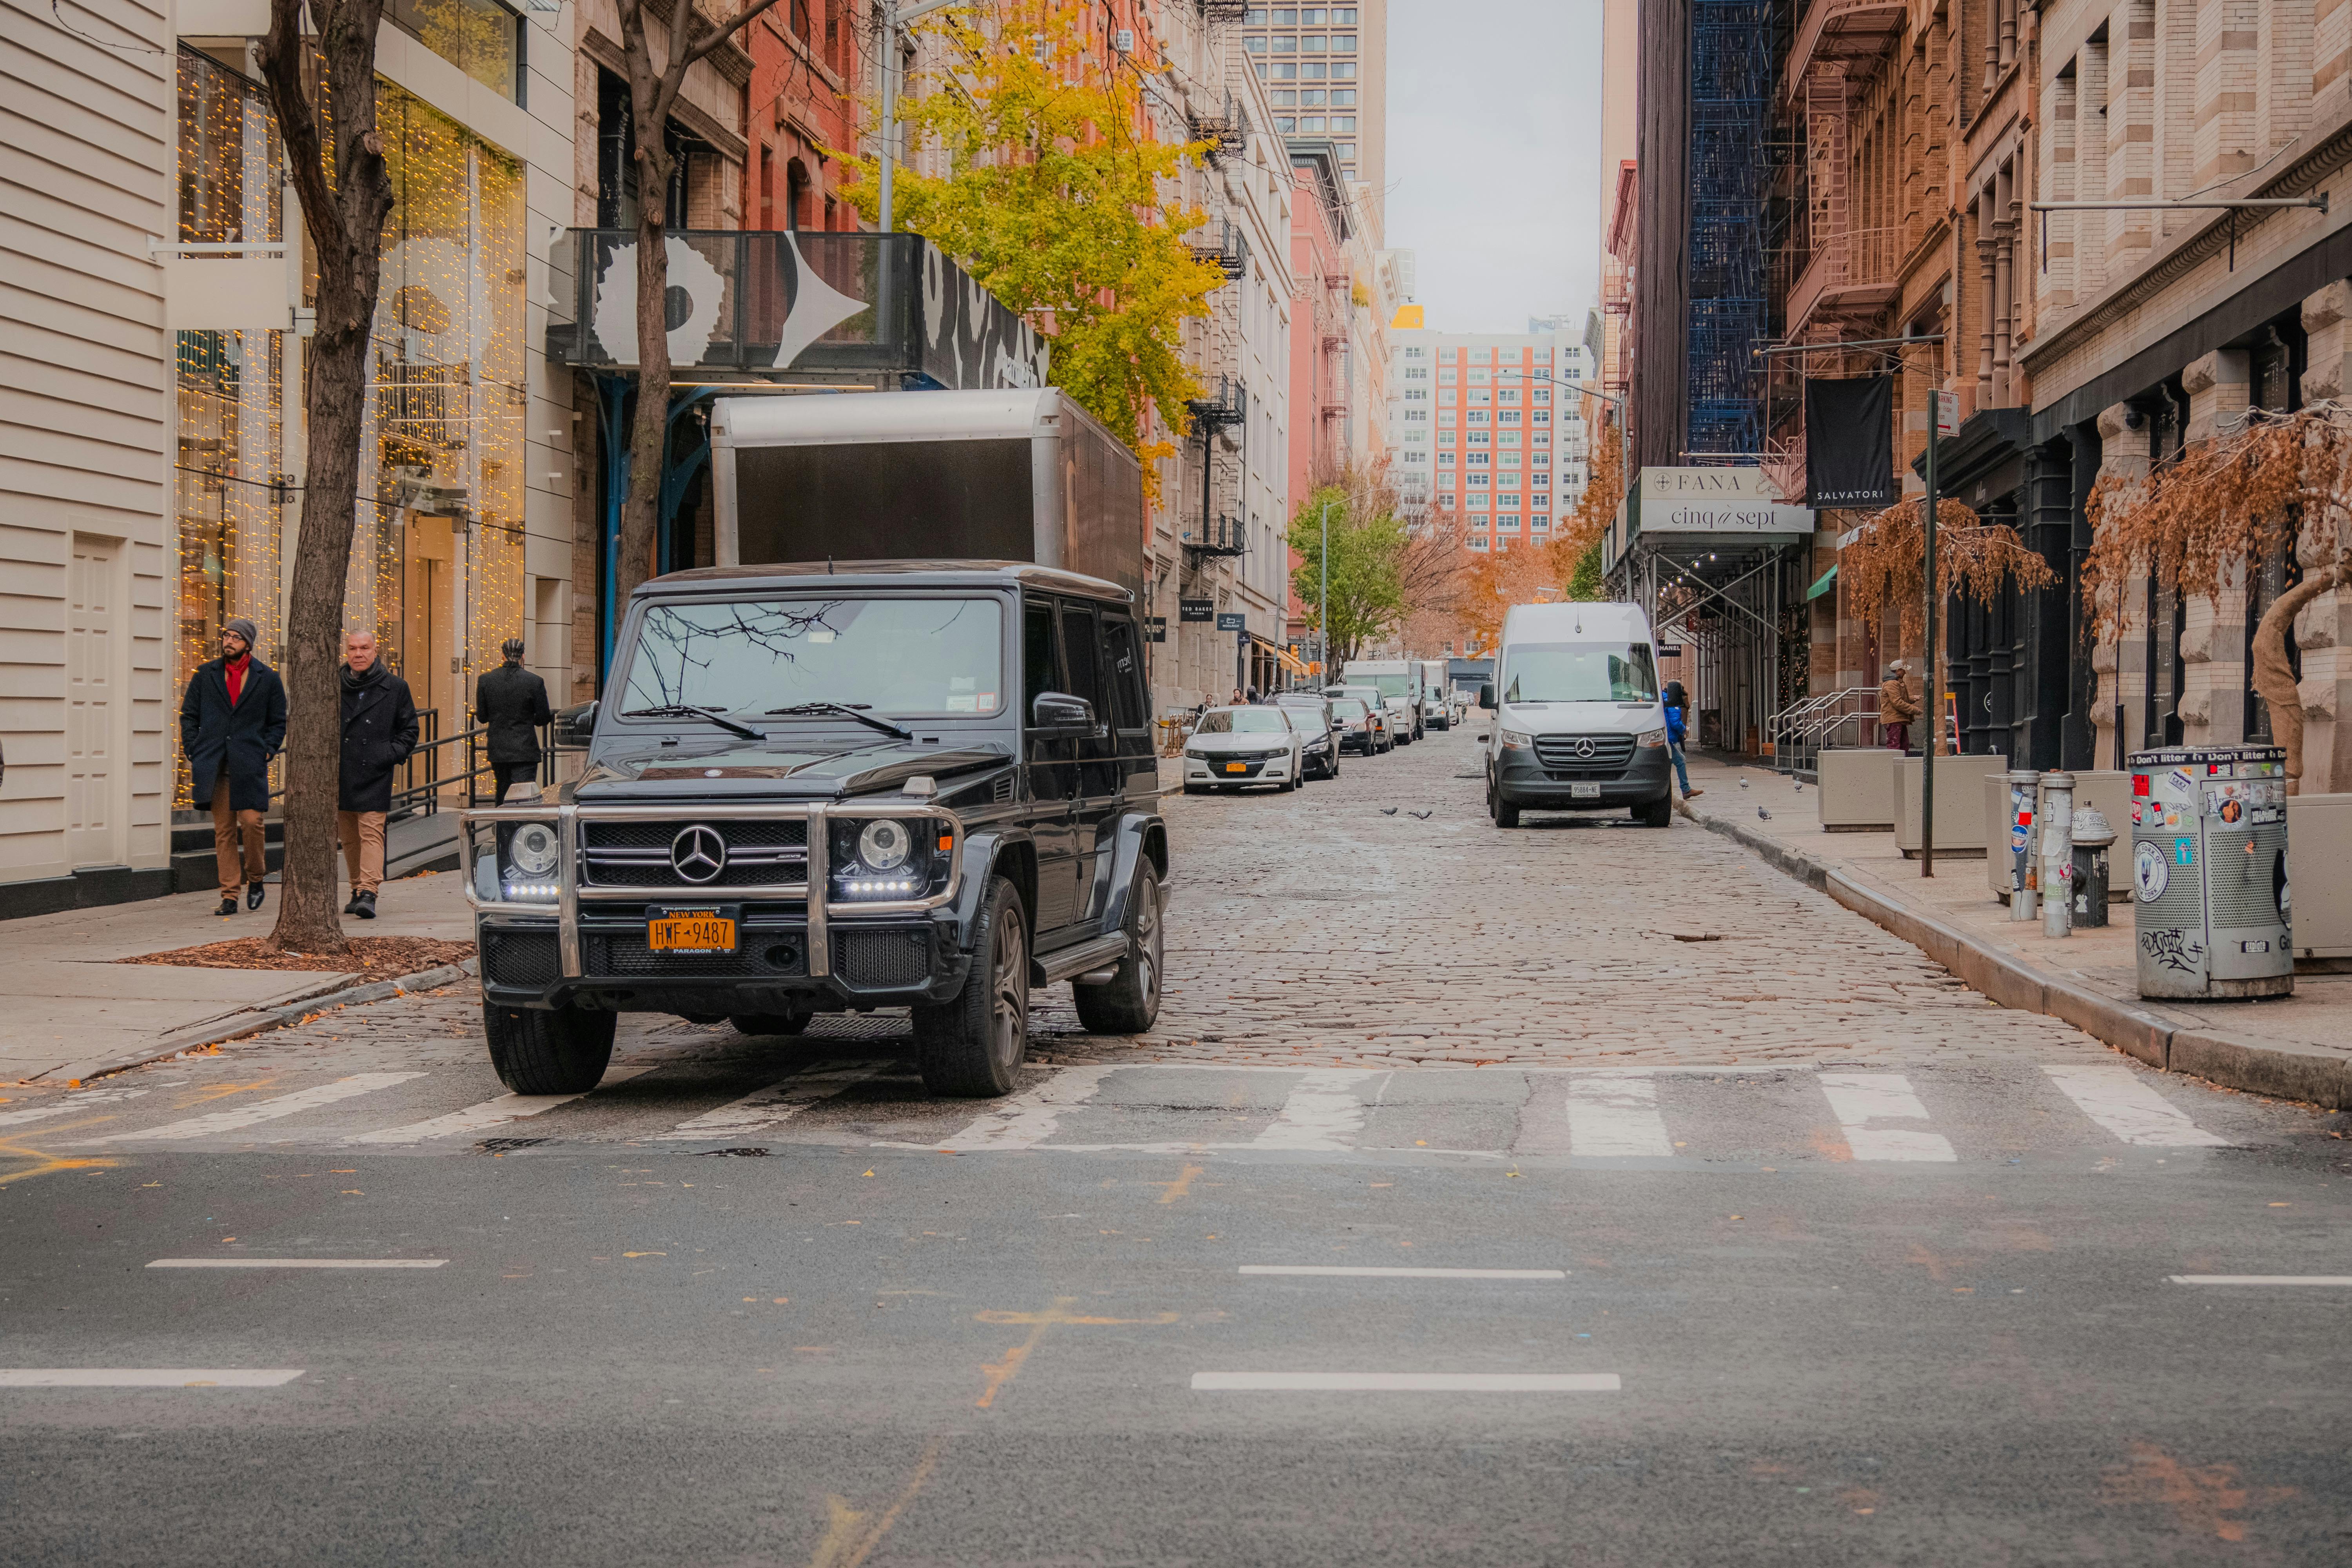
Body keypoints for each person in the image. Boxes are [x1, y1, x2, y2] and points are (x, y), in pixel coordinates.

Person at [179, 617, 287, 917]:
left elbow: (278, 721)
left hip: (249, 763)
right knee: (223, 831)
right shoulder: (205, 675)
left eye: (236, 637)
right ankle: (229, 895)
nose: (229, 641)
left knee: (252, 823)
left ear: (248, 644)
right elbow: (189, 716)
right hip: (214, 765)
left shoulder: (267, 678)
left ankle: (256, 878)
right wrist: (194, 748)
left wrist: (267, 750)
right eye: (227, 635)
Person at [337, 630, 418, 920]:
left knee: (372, 833)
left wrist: (387, 754)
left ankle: (370, 891)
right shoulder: (335, 684)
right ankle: (357, 889)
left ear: (375, 651)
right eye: (353, 649)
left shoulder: (395, 687)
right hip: (343, 770)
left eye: (364, 648)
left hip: (374, 770)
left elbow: (409, 731)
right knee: (349, 837)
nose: (358, 654)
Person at [474, 637, 552, 805]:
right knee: (523, 796)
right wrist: (530, 719)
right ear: (523, 656)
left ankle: (502, 828)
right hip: (525, 748)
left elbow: (482, 716)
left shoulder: (486, 680)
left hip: (499, 749)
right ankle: (520, 828)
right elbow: (544, 717)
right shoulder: (534, 681)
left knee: (502, 791)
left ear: (503, 655)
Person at [1662, 678, 1700, 801]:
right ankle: (1685, 790)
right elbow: (1675, 723)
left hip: (1663, 737)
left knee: (1670, 763)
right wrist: (1684, 730)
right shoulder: (1672, 701)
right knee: (1680, 761)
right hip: (1666, 740)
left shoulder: (1663, 698)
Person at [1879, 660, 1920, 753]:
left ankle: (1900, 765)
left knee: (1904, 745)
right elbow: (1897, 703)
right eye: (1904, 670)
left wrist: (1912, 699)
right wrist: (1915, 710)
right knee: (1895, 745)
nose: (1905, 672)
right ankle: (1895, 765)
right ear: (1898, 671)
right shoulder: (1892, 684)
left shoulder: (1896, 682)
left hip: (1898, 718)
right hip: (1894, 719)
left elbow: (1898, 700)